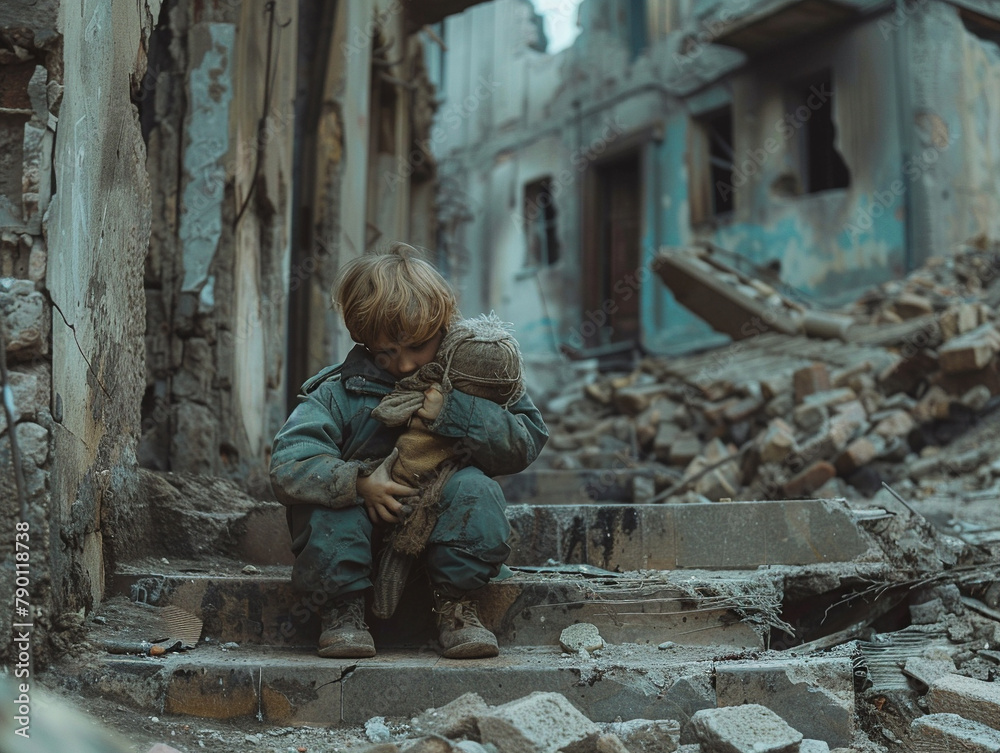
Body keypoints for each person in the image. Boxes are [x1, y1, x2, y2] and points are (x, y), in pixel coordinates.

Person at [269, 243, 549, 660]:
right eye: (386, 353)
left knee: (475, 490)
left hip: (439, 532)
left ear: (443, 325)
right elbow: (290, 463)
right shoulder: (336, 391)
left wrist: (455, 412)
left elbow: (525, 440)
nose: (402, 366)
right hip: (359, 536)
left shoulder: (479, 375)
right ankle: (343, 612)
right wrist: (359, 484)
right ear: (364, 342)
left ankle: (457, 608)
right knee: (327, 505)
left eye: (417, 346)